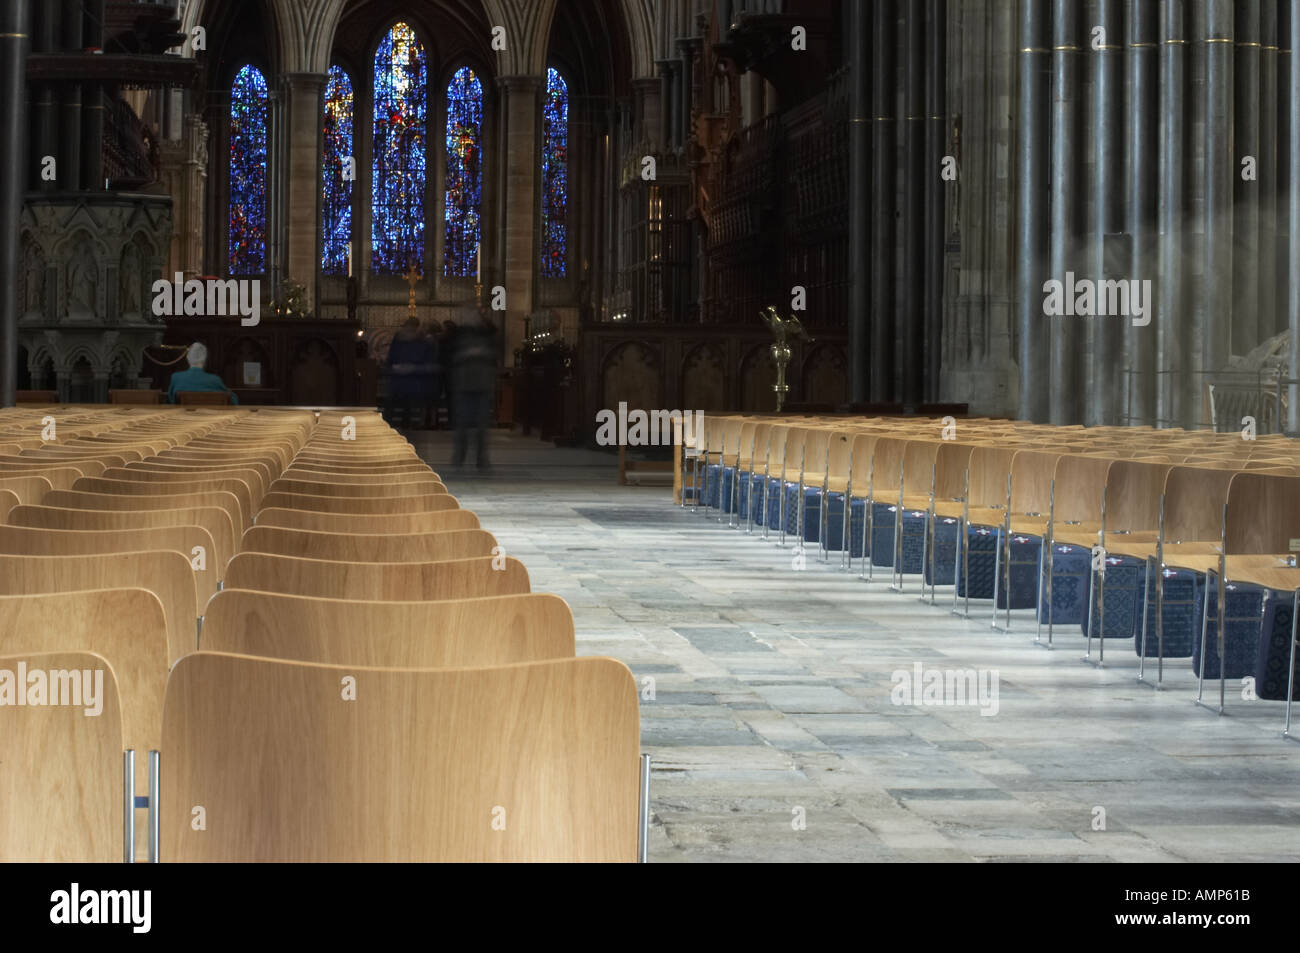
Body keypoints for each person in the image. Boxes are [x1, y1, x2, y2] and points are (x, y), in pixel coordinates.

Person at [450, 305, 498, 470]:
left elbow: (495, 352)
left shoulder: (488, 333)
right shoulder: (461, 333)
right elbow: (452, 355)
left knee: (482, 426)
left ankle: (481, 458)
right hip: (464, 383)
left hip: (482, 383)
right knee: (462, 424)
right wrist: (468, 354)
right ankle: (459, 456)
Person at [386, 316, 435, 430]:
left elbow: (392, 355)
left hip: (405, 378)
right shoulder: (418, 340)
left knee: (400, 405)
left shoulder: (405, 339)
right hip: (406, 378)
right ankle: (401, 425)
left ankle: (398, 424)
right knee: (401, 405)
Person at [167, 342, 239, 404]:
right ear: (205, 360)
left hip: (183, 418)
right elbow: (234, 400)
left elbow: (171, 400)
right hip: (211, 419)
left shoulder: (176, 377)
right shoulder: (215, 380)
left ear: (187, 359)